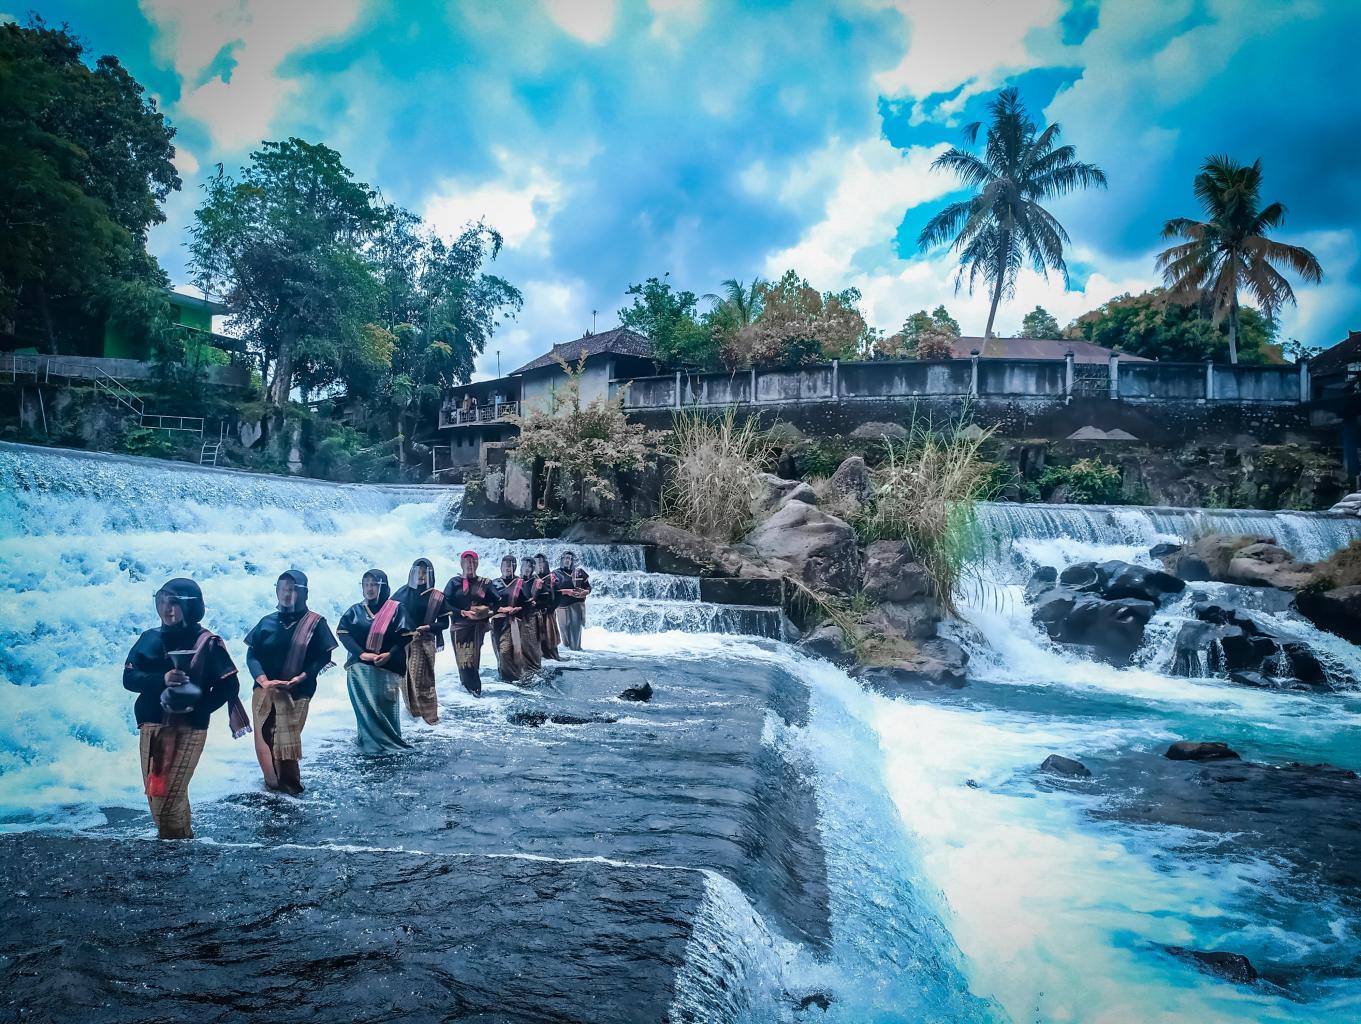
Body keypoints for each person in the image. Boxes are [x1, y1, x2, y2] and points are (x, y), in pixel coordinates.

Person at [122, 578, 243, 839]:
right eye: (163, 602)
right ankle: (183, 851)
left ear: (192, 607)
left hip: (189, 728)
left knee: (166, 802)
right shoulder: (149, 638)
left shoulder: (207, 643)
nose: (168, 610)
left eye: (175, 604)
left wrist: (200, 710)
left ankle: (175, 853)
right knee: (160, 798)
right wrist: (161, 680)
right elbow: (129, 679)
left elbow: (229, 685)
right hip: (151, 725)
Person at [244, 569, 337, 795]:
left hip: (298, 691)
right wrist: (263, 680)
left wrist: (301, 677)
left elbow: (323, 656)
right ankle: (273, 782)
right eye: (283, 589)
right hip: (265, 690)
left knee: (281, 737)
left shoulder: (315, 623)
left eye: (293, 589)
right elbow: (252, 655)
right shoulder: (266, 622)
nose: (287, 594)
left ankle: (289, 786)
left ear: (304, 593)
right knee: (267, 735)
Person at [338, 570, 412, 753]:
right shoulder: (355, 610)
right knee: (365, 707)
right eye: (366, 584)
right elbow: (343, 633)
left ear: (383, 586)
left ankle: (390, 741)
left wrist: (389, 654)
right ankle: (367, 742)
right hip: (360, 670)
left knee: (385, 705)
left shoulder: (396, 608)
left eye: (374, 584)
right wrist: (362, 654)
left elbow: (405, 635)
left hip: (387, 666)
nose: (370, 589)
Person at [392, 558, 448, 725]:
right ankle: (414, 717)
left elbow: (444, 623)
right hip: (403, 643)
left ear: (430, 574)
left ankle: (431, 719)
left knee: (421, 680)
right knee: (405, 680)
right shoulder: (401, 593)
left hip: (424, 641)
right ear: (412, 573)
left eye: (425, 572)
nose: (421, 576)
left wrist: (428, 627)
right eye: (418, 572)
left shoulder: (437, 596)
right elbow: (389, 617)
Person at [443, 550, 496, 695]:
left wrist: (486, 611)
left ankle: (473, 691)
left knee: (472, 659)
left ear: (477, 564)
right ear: (461, 564)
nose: (470, 565)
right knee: (464, 660)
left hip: (477, 627)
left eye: (473, 562)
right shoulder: (454, 582)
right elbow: (444, 603)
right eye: (466, 562)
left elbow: (497, 601)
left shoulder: (485, 583)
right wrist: (461, 612)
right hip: (459, 627)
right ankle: (470, 690)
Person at [487, 555, 523, 682]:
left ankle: (512, 678)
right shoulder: (493, 583)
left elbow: (527, 603)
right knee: (499, 652)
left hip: (513, 623)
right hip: (496, 622)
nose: (508, 567)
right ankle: (504, 678)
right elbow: (488, 602)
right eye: (506, 565)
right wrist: (499, 610)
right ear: (501, 567)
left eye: (511, 565)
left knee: (506, 651)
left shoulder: (520, 583)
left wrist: (517, 609)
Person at [552, 550, 592, 652]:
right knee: (564, 633)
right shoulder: (555, 574)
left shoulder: (579, 572)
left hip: (576, 604)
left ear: (572, 561)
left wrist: (585, 592)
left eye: (569, 559)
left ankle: (577, 652)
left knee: (575, 633)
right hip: (561, 606)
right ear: (561, 560)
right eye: (565, 558)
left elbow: (588, 587)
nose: (567, 560)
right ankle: (569, 657)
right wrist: (566, 591)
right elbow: (552, 591)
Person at [535, 552, 561, 660]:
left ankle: (552, 657)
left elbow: (558, 595)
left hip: (548, 613)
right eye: (537, 563)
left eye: (542, 562)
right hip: (534, 613)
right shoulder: (531, 578)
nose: (540, 565)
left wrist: (550, 608)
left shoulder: (552, 578)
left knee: (550, 637)